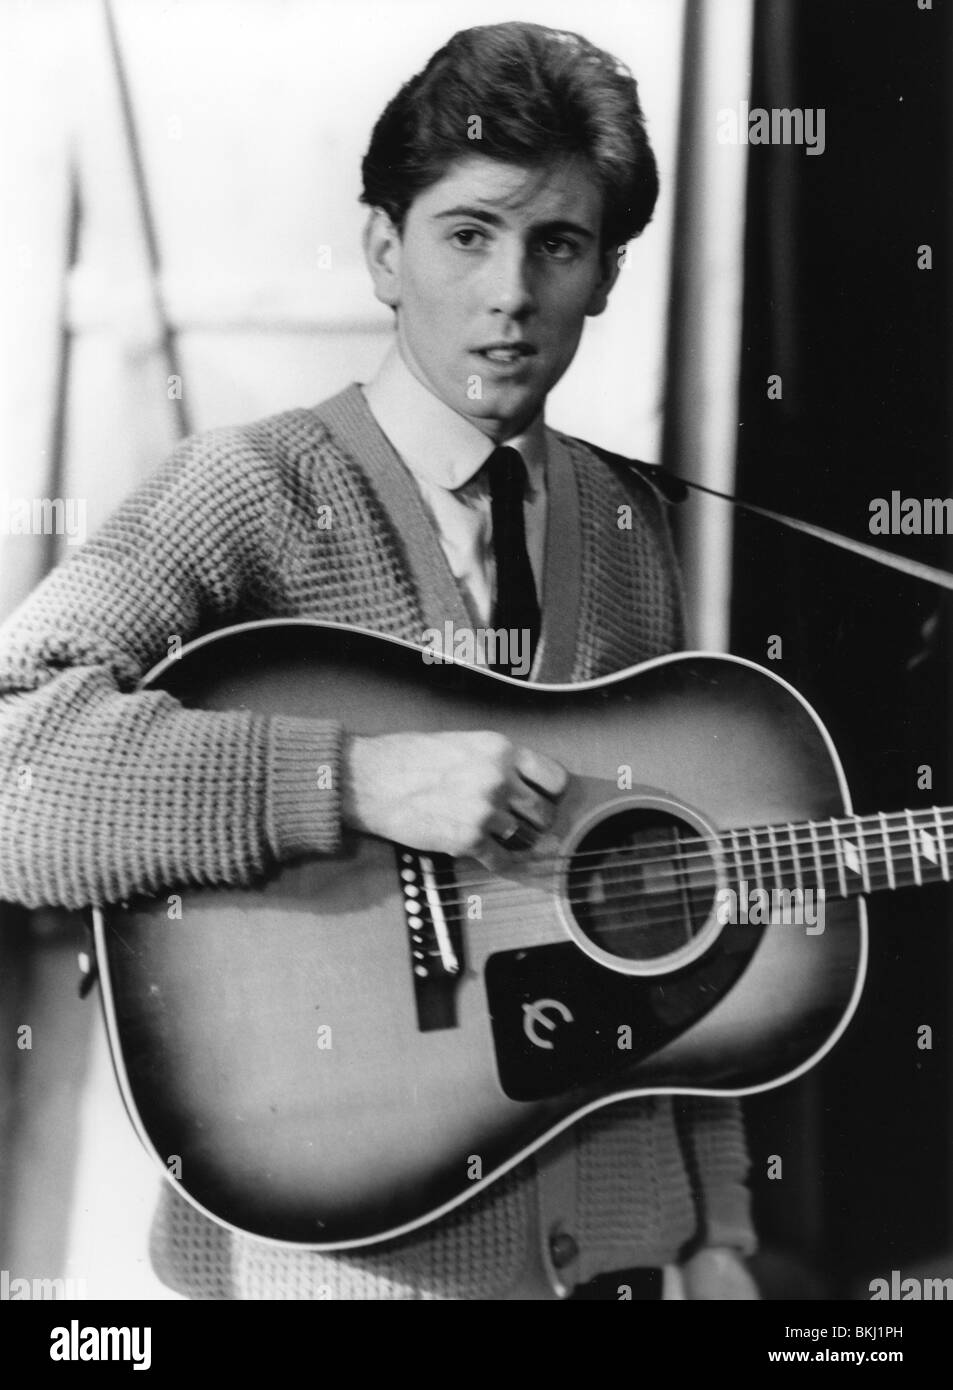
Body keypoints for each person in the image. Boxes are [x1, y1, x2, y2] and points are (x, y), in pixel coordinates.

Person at [0, 20, 757, 1299]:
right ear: (381, 250)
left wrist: (719, 1228)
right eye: (467, 234)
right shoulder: (244, 492)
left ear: (607, 276)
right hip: (332, 1274)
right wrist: (351, 779)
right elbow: (13, 760)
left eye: (556, 244)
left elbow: (680, 883)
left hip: (626, 1262)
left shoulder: (629, 533)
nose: (510, 292)